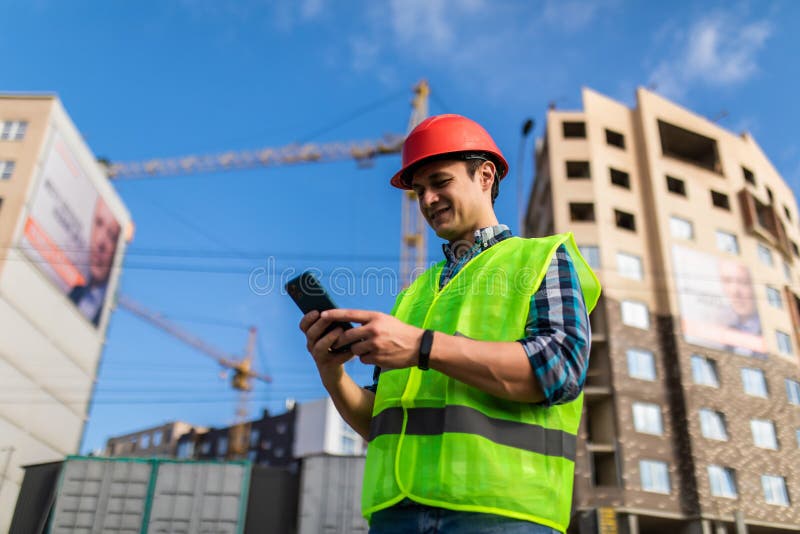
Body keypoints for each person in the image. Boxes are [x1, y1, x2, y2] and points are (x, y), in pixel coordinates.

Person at [299, 114, 600, 533]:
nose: (427, 200)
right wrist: (332, 373)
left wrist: (424, 347)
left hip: (502, 514)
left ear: (485, 175)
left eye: (440, 182)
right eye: (419, 191)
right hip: (395, 514)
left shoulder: (541, 259)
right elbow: (378, 422)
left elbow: (561, 368)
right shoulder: (412, 295)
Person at [69, 196, 121, 326]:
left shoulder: (103, 313)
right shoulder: (73, 291)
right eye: (99, 224)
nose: (101, 243)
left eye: (111, 235)